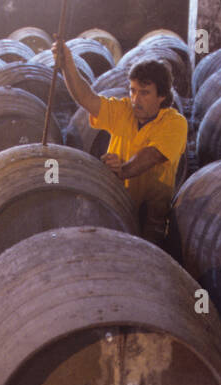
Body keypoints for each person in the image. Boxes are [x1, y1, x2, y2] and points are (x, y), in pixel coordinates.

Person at [53, 38, 188, 245]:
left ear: (161, 95)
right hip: (116, 204)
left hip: (151, 217)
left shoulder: (175, 123)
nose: (135, 99)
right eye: (133, 90)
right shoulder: (124, 110)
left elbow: (151, 155)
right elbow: (86, 98)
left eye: (144, 93)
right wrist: (67, 64)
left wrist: (122, 170)